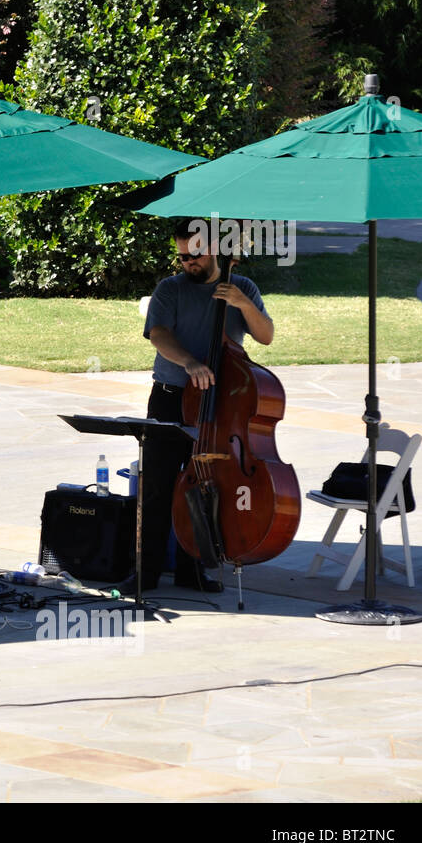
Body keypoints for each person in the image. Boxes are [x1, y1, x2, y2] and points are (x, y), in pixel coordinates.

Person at [125, 217, 275, 594]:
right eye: (181, 257)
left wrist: (243, 303)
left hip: (219, 407)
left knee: (206, 486)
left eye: (193, 255)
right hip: (171, 397)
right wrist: (189, 362)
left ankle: (195, 569)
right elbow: (159, 335)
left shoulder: (242, 287)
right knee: (157, 487)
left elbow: (266, 336)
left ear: (214, 250)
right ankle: (146, 571)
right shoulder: (169, 290)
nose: (187, 263)